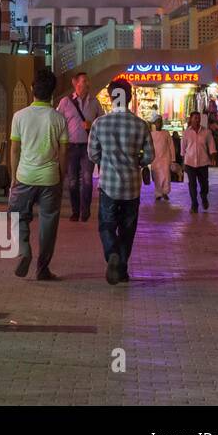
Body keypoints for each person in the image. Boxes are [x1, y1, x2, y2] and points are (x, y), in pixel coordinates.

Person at [87, 78, 154, 285]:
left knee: (106, 225)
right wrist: (136, 161)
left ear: (111, 97)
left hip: (108, 185)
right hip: (132, 188)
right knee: (128, 228)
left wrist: (106, 161)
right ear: (129, 98)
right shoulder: (140, 125)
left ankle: (112, 254)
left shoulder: (100, 123)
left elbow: (92, 154)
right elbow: (149, 156)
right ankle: (122, 269)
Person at [7, 67, 68, 281]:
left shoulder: (19, 116)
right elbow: (63, 152)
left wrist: (13, 176)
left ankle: (24, 249)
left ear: (32, 89)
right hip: (50, 177)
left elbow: (15, 149)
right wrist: (61, 176)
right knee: (48, 224)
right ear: (52, 92)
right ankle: (43, 269)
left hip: (25, 176)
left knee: (17, 215)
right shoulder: (59, 118)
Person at [57, 72, 103, 222]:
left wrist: (92, 125)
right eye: (84, 81)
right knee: (72, 181)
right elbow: (58, 123)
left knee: (87, 179)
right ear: (75, 83)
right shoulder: (65, 102)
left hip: (87, 147)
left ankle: (85, 211)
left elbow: (102, 122)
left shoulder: (94, 102)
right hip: (71, 147)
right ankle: (75, 211)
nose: (88, 84)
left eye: (88, 81)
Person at [180, 111, 216, 213]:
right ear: (191, 119)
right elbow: (183, 150)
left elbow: (212, 146)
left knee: (204, 184)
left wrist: (213, 157)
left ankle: (204, 196)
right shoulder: (186, 133)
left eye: (198, 118)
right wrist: (183, 163)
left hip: (203, 162)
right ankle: (194, 203)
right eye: (195, 118)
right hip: (190, 162)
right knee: (192, 184)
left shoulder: (207, 132)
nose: (197, 120)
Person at [149, 115, 176, 202]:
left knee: (166, 176)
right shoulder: (151, 134)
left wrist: (173, 159)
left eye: (160, 122)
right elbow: (149, 147)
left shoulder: (166, 133)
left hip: (165, 158)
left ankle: (165, 192)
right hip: (155, 159)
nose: (159, 124)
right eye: (157, 122)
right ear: (154, 124)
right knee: (157, 177)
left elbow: (171, 146)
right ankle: (158, 193)